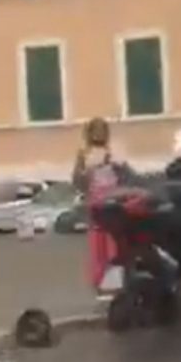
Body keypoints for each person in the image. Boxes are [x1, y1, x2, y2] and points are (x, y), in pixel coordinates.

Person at [71, 118, 120, 293]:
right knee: (99, 245)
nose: (99, 135)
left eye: (102, 131)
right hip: (97, 207)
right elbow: (77, 180)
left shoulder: (111, 153)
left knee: (111, 243)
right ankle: (100, 280)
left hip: (111, 205)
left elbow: (121, 176)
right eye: (96, 131)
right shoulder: (84, 154)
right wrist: (86, 172)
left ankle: (112, 279)